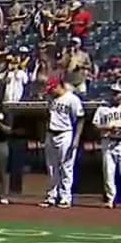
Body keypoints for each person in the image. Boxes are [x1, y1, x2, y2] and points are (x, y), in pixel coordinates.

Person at [43, 77, 84, 208]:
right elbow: (47, 115)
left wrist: (76, 139)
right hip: (51, 133)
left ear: (58, 86)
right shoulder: (50, 98)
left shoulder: (72, 99)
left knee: (66, 166)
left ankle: (65, 197)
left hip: (65, 133)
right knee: (51, 167)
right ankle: (52, 196)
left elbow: (80, 119)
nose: (50, 92)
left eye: (52, 89)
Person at [94, 84, 121, 208]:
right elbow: (95, 125)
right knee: (108, 173)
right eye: (113, 92)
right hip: (107, 142)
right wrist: (107, 127)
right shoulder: (102, 108)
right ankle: (111, 199)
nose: (115, 95)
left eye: (117, 93)